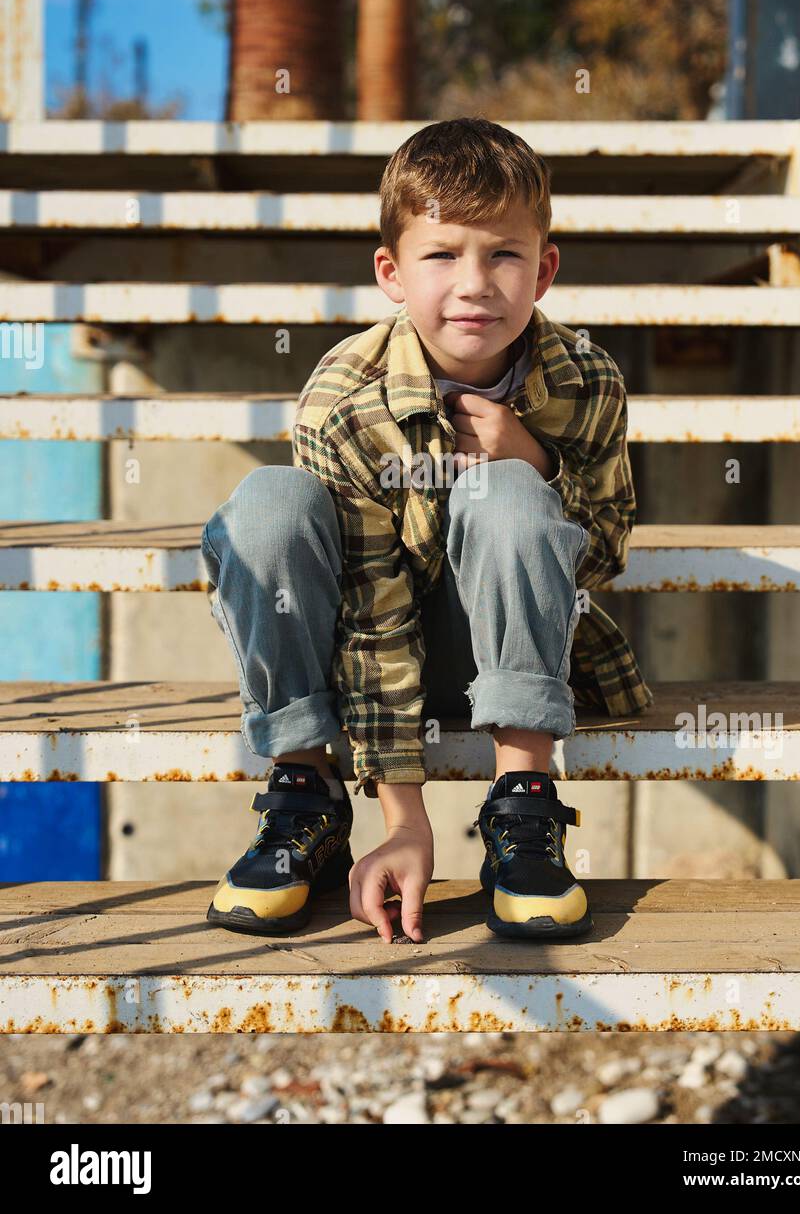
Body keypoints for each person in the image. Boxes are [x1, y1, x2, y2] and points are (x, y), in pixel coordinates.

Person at [202, 116, 653, 944]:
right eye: (442, 255)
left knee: (509, 493)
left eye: (503, 254)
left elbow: (610, 546)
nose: (475, 283)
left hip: (509, 661)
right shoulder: (345, 396)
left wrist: (539, 466)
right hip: (354, 676)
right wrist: (405, 822)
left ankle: (523, 805)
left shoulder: (587, 379)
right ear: (392, 273)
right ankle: (305, 793)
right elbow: (370, 611)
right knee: (268, 503)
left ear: (545, 268)